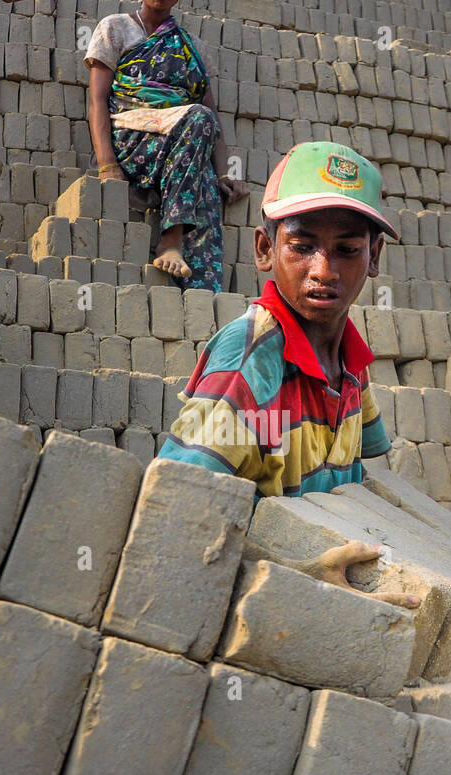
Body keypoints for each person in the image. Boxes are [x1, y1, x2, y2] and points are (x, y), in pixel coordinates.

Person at [159, 141, 417, 608]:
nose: (324, 271)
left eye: (347, 250)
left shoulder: (352, 365)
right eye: (301, 247)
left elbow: (372, 477)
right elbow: (175, 513)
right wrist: (293, 573)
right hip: (249, 605)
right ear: (265, 249)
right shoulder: (249, 362)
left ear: (374, 257)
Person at [84, 0, 248, 291]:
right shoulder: (115, 28)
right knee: (198, 118)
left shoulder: (193, 48)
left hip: (181, 143)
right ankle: (170, 237)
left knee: (207, 183)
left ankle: (202, 300)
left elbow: (212, 118)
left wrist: (223, 174)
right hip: (133, 141)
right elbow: (97, 100)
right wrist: (108, 165)